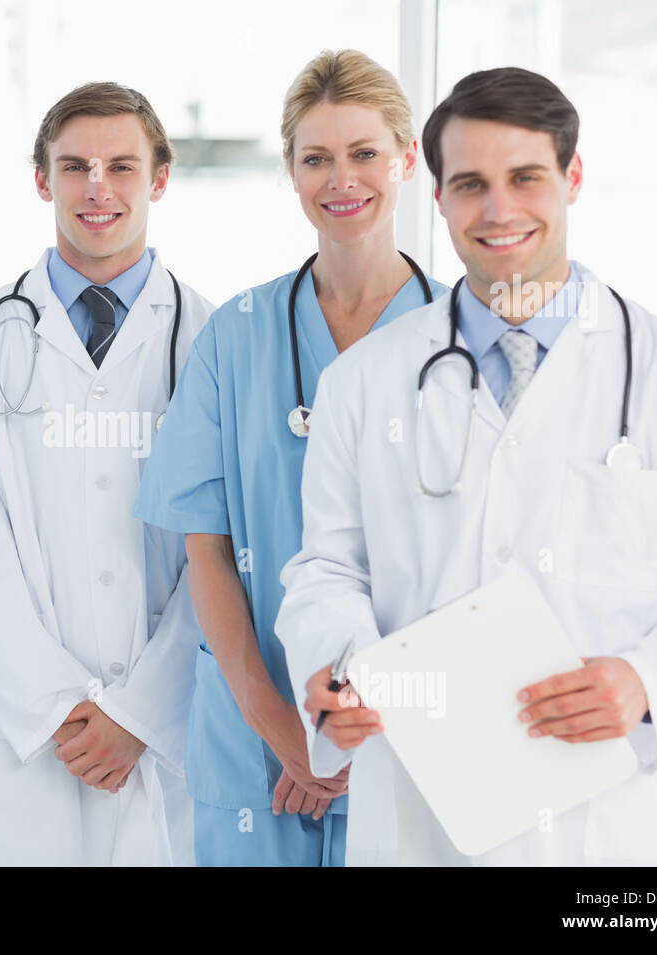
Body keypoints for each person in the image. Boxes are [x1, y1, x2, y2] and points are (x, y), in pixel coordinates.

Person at [276, 67, 657, 865]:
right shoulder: (364, 380)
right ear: (438, 198)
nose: (498, 210)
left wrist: (647, 684)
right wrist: (336, 668)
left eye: (525, 177)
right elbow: (326, 566)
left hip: (606, 833)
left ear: (573, 177)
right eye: (469, 184)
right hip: (420, 812)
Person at [133, 50, 446, 866]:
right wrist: (283, 729)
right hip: (253, 742)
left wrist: (348, 737)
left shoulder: (459, 343)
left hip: (411, 734)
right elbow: (204, 548)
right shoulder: (235, 337)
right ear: (292, 171)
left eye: (365, 153)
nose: (342, 179)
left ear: (408, 158)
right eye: (317, 159)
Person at [0, 82, 213, 866]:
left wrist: (142, 713)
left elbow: (224, 552)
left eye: (122, 165)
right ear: (42, 179)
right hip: (29, 739)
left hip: (168, 738)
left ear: (159, 178)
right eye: (74, 165)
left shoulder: (216, 346)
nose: (97, 187)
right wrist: (63, 711)